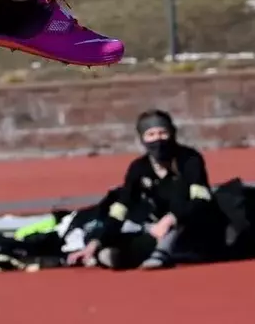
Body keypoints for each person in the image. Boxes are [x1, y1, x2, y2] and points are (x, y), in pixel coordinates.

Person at [66, 109, 225, 270]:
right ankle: (113, 254)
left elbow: (201, 200)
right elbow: (121, 207)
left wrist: (171, 219)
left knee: (180, 206)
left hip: (190, 224)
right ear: (142, 139)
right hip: (157, 228)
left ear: (172, 133)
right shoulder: (138, 168)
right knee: (124, 236)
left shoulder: (190, 159)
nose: (158, 140)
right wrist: (95, 242)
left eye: (163, 133)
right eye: (151, 134)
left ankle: (161, 253)